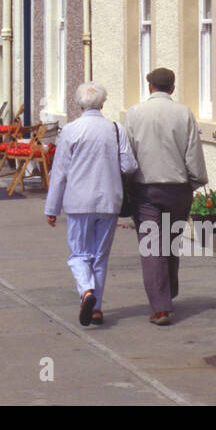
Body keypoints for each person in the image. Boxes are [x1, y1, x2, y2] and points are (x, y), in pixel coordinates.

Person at [44, 82, 139, 327]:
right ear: (103, 103)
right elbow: (129, 166)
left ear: (79, 104)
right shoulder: (116, 130)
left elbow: (60, 172)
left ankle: (86, 291)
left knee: (78, 253)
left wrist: (52, 208)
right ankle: (95, 307)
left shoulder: (71, 131)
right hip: (109, 199)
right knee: (100, 255)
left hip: (78, 201)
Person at [123, 67, 209, 327]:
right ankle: (167, 292)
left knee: (152, 248)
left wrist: (126, 184)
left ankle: (161, 306)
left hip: (145, 189)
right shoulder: (183, 113)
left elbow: (128, 155)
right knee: (171, 243)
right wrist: (194, 181)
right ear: (172, 88)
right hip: (177, 188)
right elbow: (193, 152)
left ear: (149, 87)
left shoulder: (134, 114)